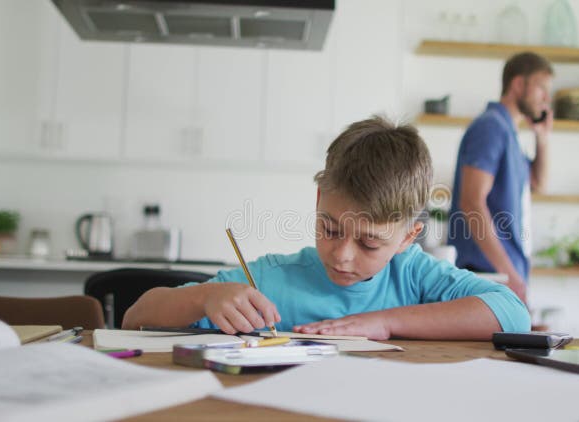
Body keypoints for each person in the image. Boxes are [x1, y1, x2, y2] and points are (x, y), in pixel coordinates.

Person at [122, 116, 530, 340]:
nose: (342, 255)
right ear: (319, 200)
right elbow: (133, 319)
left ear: (408, 237)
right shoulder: (269, 279)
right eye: (330, 230)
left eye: (369, 243)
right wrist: (204, 297)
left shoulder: (414, 276)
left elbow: (513, 313)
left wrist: (385, 322)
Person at [448, 52, 553, 304]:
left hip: (501, 274)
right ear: (518, 84)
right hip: (488, 276)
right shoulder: (491, 127)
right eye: (541, 88)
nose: (546, 99)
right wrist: (509, 274)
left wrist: (542, 138)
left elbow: (538, 183)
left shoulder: (509, 133)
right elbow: (471, 202)